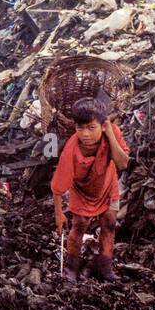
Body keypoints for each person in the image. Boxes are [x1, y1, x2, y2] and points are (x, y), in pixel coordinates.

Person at [51, 97, 131, 282]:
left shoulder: (112, 133)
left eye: (91, 128)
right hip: (81, 190)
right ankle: (71, 267)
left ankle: (105, 267)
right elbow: (58, 186)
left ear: (103, 125)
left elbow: (123, 163)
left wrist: (110, 133)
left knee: (110, 223)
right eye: (80, 128)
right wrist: (59, 214)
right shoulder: (71, 150)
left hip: (107, 184)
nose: (85, 134)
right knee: (79, 225)